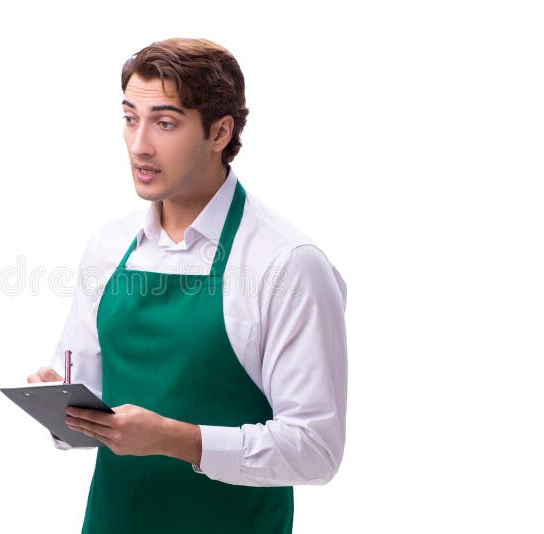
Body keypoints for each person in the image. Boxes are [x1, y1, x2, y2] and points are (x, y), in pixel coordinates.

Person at [27, 37, 348, 534]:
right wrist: (63, 411)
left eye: (165, 123)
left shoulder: (287, 264)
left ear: (219, 132)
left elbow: (316, 450)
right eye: (131, 118)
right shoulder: (108, 247)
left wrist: (177, 439)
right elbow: (83, 420)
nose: (140, 145)